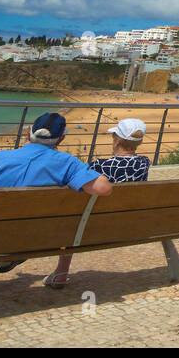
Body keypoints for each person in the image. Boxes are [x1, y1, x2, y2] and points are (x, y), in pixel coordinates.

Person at [0, 113, 112, 296]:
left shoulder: (0, 158)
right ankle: (9, 257)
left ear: (27, 134)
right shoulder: (67, 163)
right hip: (35, 237)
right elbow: (103, 188)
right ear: (61, 139)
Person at [45, 118, 150, 289]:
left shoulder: (100, 166)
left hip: (90, 228)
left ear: (117, 141)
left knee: (70, 223)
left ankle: (61, 272)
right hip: (128, 225)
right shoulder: (144, 164)